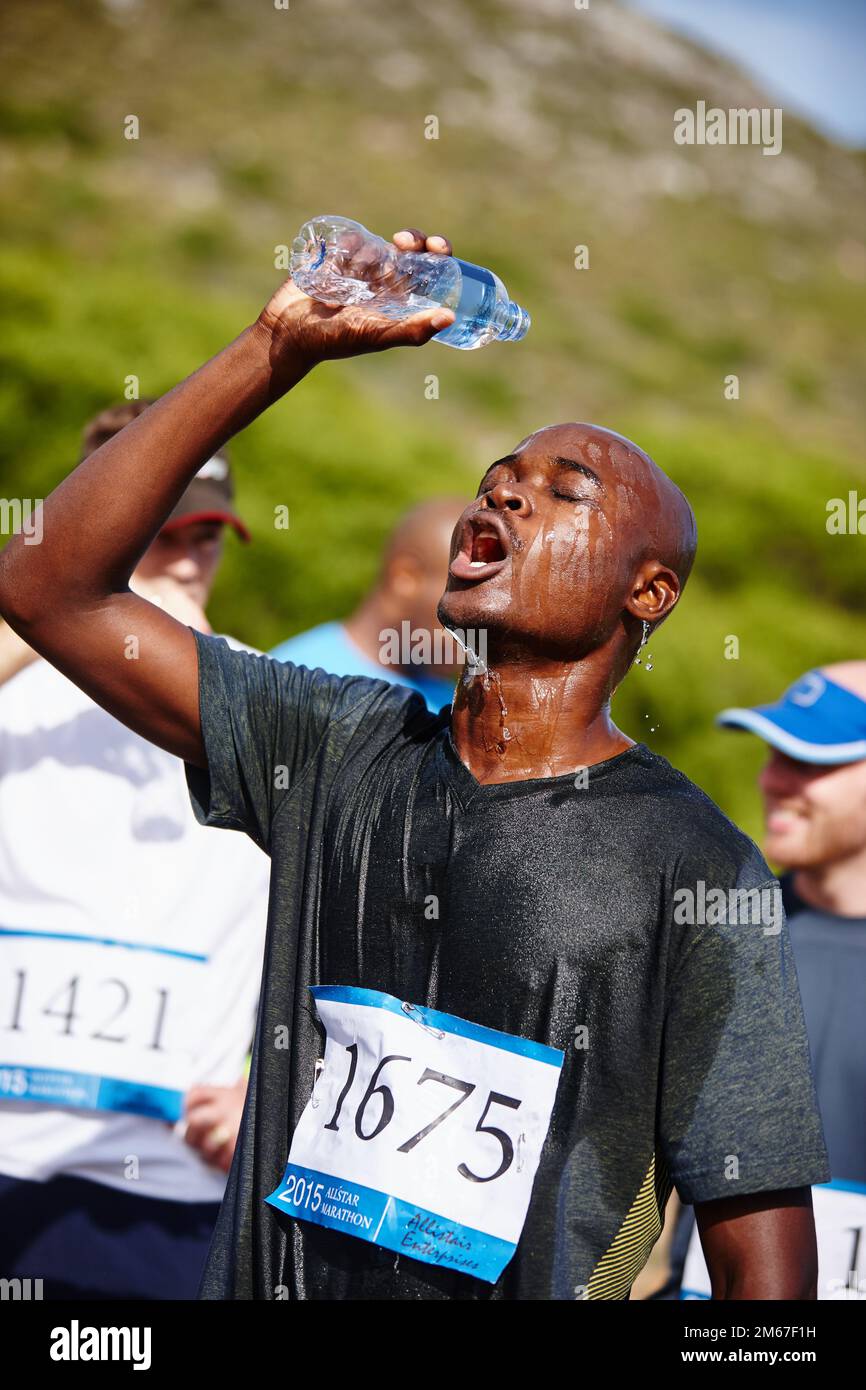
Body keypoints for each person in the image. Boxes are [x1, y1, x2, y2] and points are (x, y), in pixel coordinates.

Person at [0, 227, 830, 1301]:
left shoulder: (696, 863)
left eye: (560, 490)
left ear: (649, 593)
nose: (503, 498)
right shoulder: (336, 745)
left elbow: (756, 1237)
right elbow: (47, 588)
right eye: (494, 482)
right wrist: (275, 346)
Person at [0, 402, 269, 1300]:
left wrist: (274, 1091)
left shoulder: (258, 693)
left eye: (209, 535)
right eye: (162, 531)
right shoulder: (14, 667)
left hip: (156, 1180)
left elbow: (357, 914)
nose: (188, 558)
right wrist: (62, 614)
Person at [270, 498, 465, 712]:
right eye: (466, 593)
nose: (481, 622)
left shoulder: (459, 706)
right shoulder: (294, 681)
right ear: (406, 578)